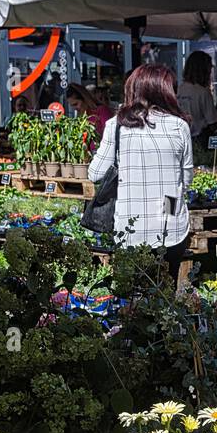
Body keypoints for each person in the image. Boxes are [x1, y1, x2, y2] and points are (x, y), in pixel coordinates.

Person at [87, 63, 194, 285]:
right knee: (165, 293)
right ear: (165, 91)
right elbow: (185, 180)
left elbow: (95, 174)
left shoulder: (116, 126)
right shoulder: (179, 126)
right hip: (170, 224)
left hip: (130, 225)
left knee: (132, 296)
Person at [178, 50, 217, 145]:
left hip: (180, 140)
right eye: (209, 69)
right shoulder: (203, 92)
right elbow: (212, 123)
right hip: (199, 141)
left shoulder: (178, 90)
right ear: (204, 70)